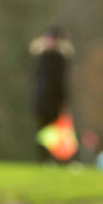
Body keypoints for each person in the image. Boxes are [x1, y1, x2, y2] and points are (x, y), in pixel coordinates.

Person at [31, 26, 74, 163]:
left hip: (55, 102)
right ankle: (45, 158)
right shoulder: (40, 57)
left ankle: (57, 159)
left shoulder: (60, 59)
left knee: (57, 132)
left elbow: (60, 82)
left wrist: (62, 102)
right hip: (42, 101)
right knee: (44, 132)